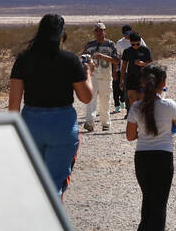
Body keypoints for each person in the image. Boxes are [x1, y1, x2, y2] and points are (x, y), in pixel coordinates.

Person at [8, 14, 94, 198]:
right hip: (61, 124)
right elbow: (86, 97)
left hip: (30, 122)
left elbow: (14, 102)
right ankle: (51, 223)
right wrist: (88, 73)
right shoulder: (70, 60)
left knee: (34, 180)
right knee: (54, 182)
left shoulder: (23, 58)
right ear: (62, 34)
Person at [126, 63, 176, 231]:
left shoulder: (136, 107)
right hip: (163, 156)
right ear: (164, 83)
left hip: (142, 157)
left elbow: (130, 136)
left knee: (148, 199)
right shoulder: (169, 105)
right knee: (159, 204)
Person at [82, 21, 118, 132]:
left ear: (105, 31)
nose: (99, 33)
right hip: (93, 76)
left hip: (105, 77)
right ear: (94, 32)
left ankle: (105, 123)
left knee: (105, 100)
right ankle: (89, 122)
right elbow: (83, 59)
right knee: (91, 99)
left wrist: (103, 56)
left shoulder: (110, 44)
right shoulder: (89, 45)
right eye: (96, 31)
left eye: (101, 30)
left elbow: (116, 60)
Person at [120, 31, 152, 106]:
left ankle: (141, 116)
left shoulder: (146, 50)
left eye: (137, 44)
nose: (135, 46)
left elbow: (151, 64)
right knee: (131, 98)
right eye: (133, 44)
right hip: (131, 77)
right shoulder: (127, 51)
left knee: (141, 99)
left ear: (140, 41)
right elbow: (124, 65)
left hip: (143, 77)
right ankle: (132, 114)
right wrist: (121, 79)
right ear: (130, 42)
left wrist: (143, 64)